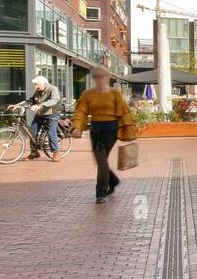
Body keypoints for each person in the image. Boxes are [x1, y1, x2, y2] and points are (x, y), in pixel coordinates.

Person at [70, 66, 137, 203]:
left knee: (101, 159)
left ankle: (100, 193)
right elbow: (81, 112)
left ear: (107, 77)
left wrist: (128, 130)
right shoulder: (87, 94)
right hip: (95, 128)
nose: (99, 79)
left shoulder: (115, 93)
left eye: (101, 76)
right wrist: (77, 127)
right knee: (101, 161)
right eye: (96, 77)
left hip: (110, 128)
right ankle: (113, 181)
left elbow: (124, 112)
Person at [10, 74, 63, 161]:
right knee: (32, 132)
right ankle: (34, 152)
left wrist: (40, 105)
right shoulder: (38, 90)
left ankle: (56, 152)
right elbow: (31, 101)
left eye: (38, 84)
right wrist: (17, 105)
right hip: (41, 112)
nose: (36, 86)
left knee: (51, 132)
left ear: (44, 83)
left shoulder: (53, 89)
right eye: (35, 85)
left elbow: (54, 100)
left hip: (52, 113)